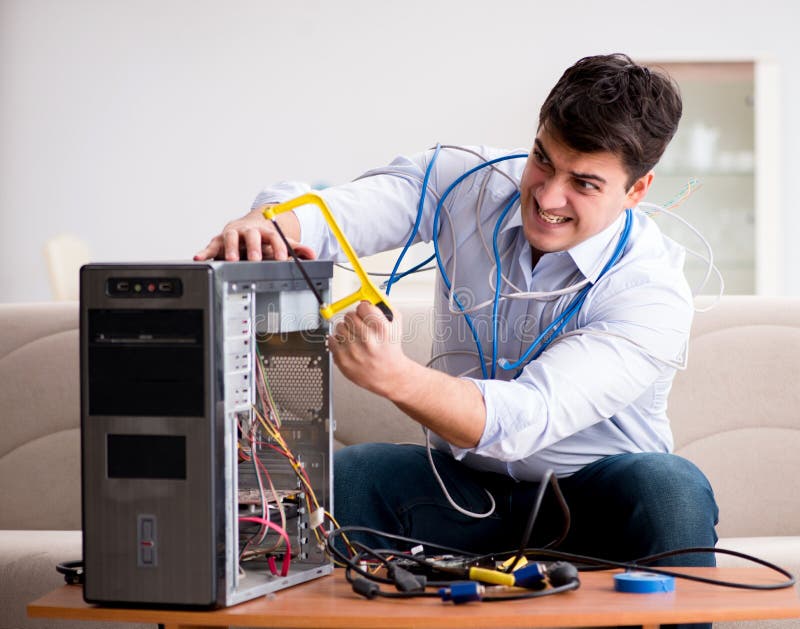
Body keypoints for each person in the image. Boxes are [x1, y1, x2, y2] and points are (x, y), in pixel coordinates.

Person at [195, 53, 719, 572]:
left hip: (593, 499)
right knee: (346, 481)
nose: (547, 196)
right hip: (466, 491)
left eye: (583, 183)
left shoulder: (650, 290)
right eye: (543, 159)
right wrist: (271, 224)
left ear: (637, 190)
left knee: (672, 491)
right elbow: (342, 211)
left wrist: (395, 376)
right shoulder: (469, 181)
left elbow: (525, 419)